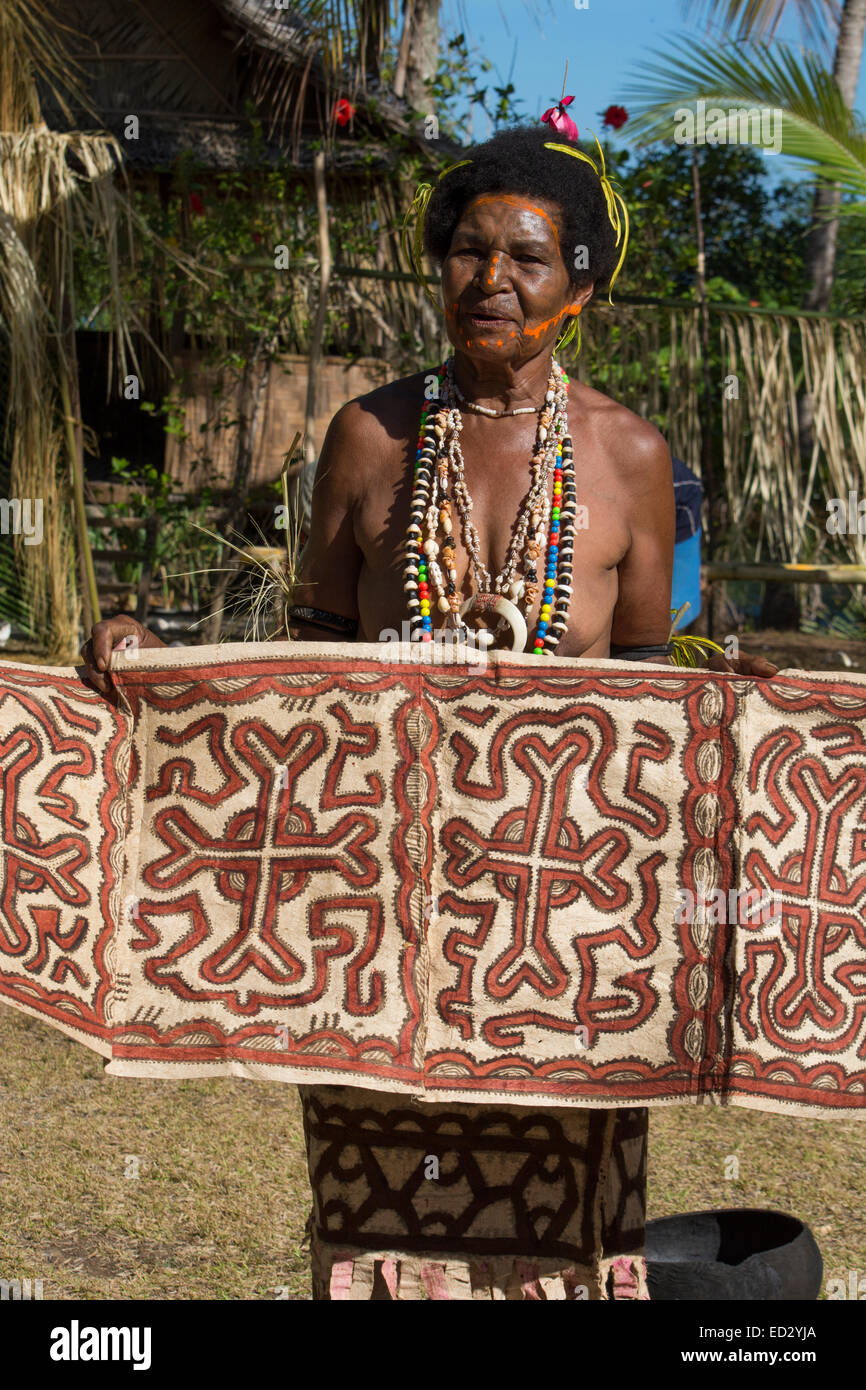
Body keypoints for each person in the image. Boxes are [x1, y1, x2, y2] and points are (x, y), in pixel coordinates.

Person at [81, 123, 778, 1300]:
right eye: (464, 251)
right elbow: (308, 669)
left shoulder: (627, 454)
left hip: (564, 930)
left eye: (524, 258)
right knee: (383, 1228)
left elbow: (657, 695)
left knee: (560, 1236)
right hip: (380, 922)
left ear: (581, 284)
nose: (490, 281)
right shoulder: (369, 436)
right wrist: (164, 662)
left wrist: (731, 700)